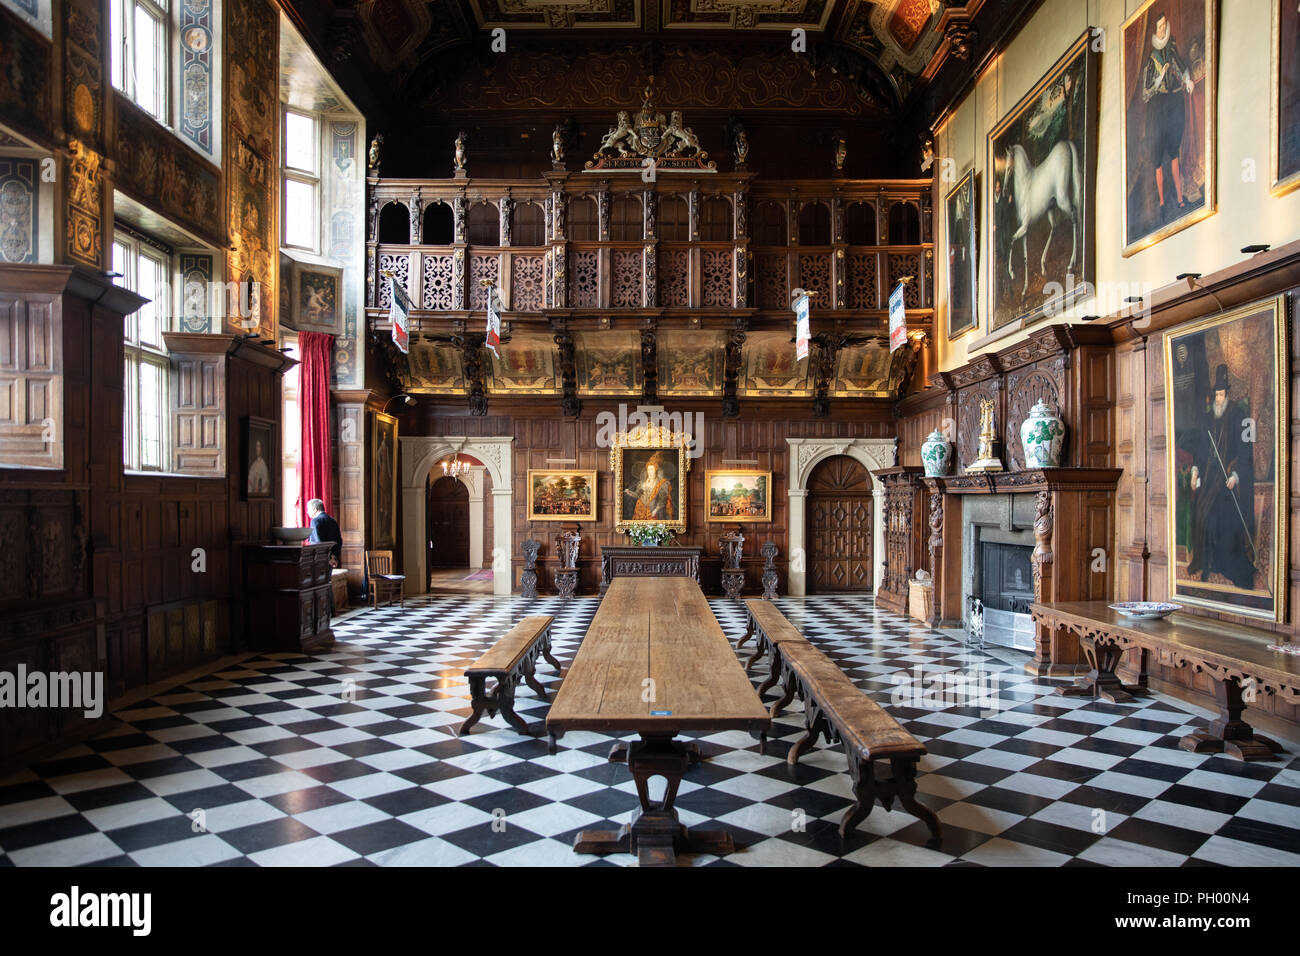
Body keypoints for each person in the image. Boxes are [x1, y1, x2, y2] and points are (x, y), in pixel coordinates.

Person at [1185, 364, 1257, 590]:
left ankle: (1225, 563)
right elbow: (1200, 450)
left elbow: (1245, 451)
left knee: (1220, 518)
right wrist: (1195, 469)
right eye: (1216, 395)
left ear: (1228, 394)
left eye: (1221, 394)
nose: (1218, 399)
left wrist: (1236, 474)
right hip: (1209, 477)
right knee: (1201, 513)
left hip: (1227, 478)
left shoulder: (1238, 415)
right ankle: (1207, 562)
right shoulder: (1207, 419)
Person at [1141, 14, 1195, 216]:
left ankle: (1180, 199)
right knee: (1157, 158)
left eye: (1164, 25)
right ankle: (1163, 203)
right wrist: (1161, 75)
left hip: (1173, 102)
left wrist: (1187, 80)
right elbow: (1147, 90)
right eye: (1159, 27)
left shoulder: (1171, 50)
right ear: (1155, 31)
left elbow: (1181, 67)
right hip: (1158, 107)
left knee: (1174, 152)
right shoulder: (1151, 59)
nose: (1163, 29)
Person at [625, 452, 674, 520]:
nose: (650, 472)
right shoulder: (642, 482)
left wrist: (656, 510)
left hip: (653, 509)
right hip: (640, 509)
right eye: (648, 469)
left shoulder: (662, 483)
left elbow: (662, 499)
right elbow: (638, 494)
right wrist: (630, 492)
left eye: (652, 469)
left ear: (656, 470)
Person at [306, 498, 343, 568]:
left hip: (320, 560)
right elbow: (339, 540)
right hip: (332, 559)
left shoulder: (315, 521)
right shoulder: (333, 520)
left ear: (315, 509)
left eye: (308, 509)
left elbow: (318, 542)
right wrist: (334, 557)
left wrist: (327, 558)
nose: (307, 512)